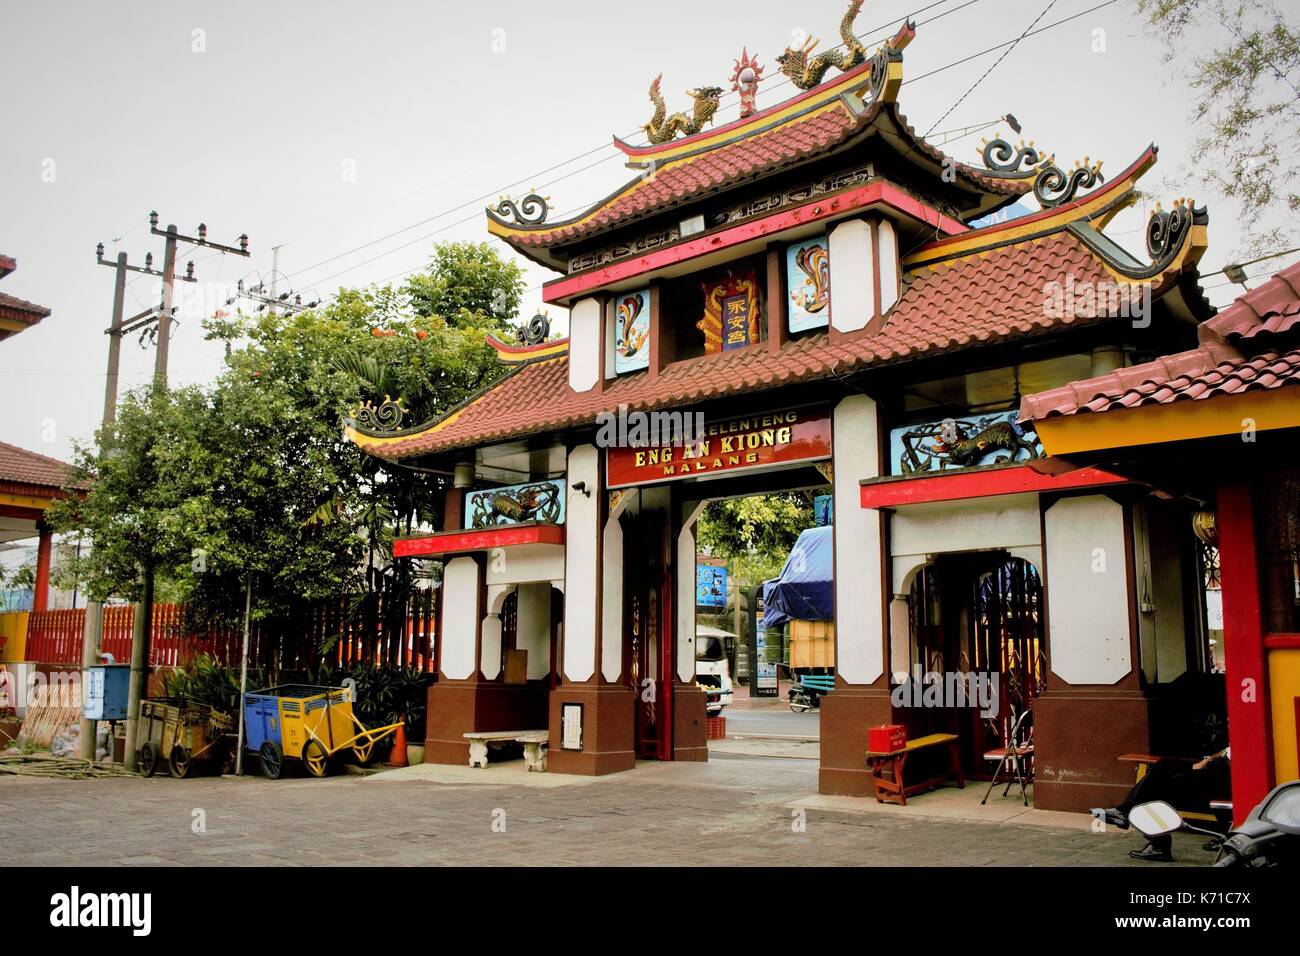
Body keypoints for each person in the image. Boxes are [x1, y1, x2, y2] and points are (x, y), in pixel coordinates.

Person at [1091, 747, 1231, 861]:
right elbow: (1226, 750)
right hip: (1213, 769)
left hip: (1221, 781)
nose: (1229, 723)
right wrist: (1206, 761)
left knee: (1155, 788)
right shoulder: (1237, 737)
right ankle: (1128, 816)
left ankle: (1157, 844)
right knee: (1163, 765)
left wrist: (1208, 764)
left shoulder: (1247, 737)